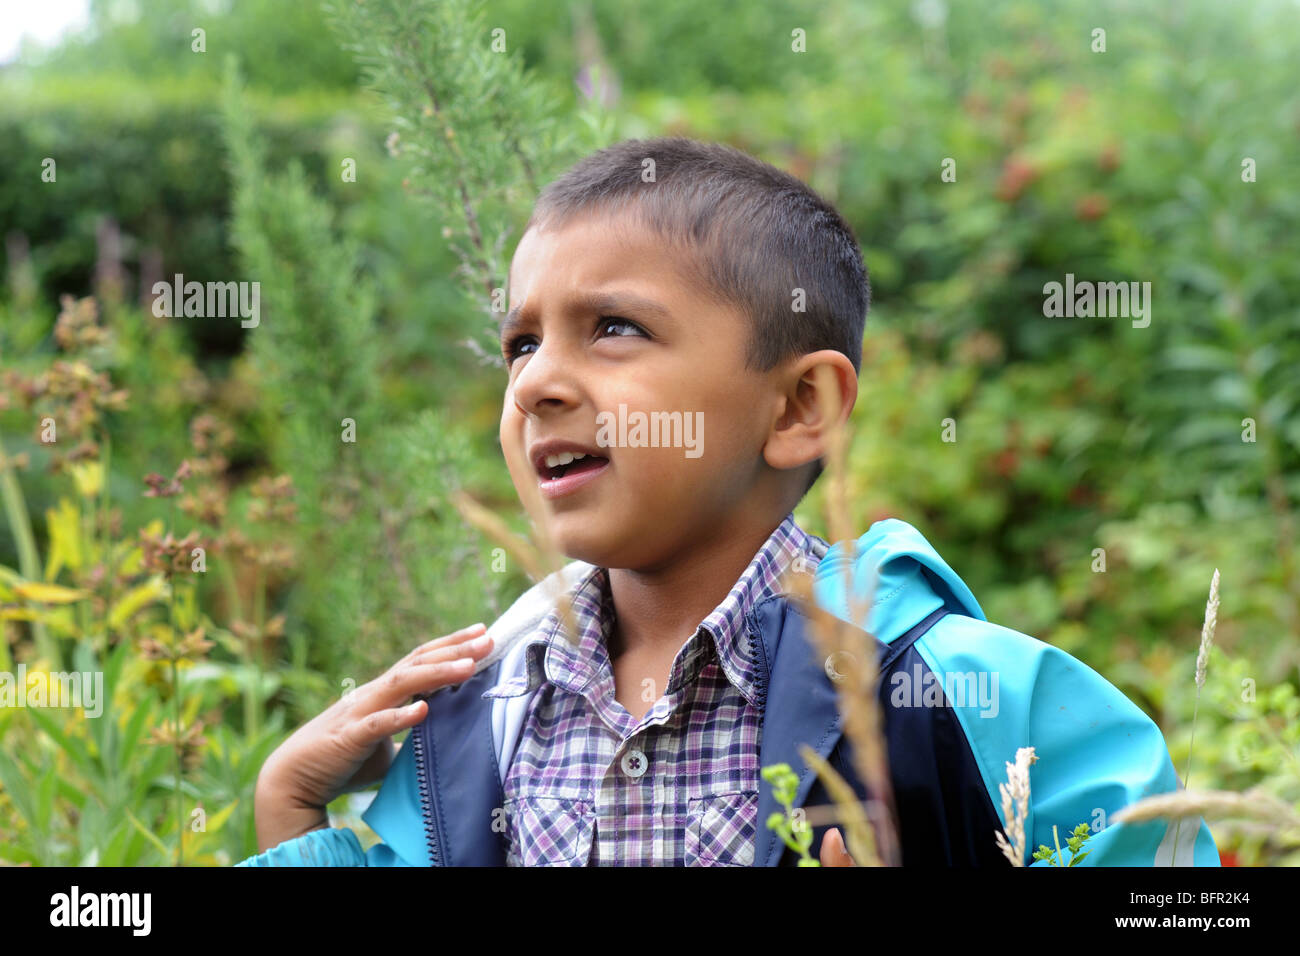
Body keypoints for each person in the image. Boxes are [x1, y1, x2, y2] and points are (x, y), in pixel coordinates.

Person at [237, 138, 1218, 867]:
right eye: (521, 342)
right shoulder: (476, 723)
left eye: (612, 328)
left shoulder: (966, 696)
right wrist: (287, 803)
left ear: (799, 405)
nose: (536, 383)